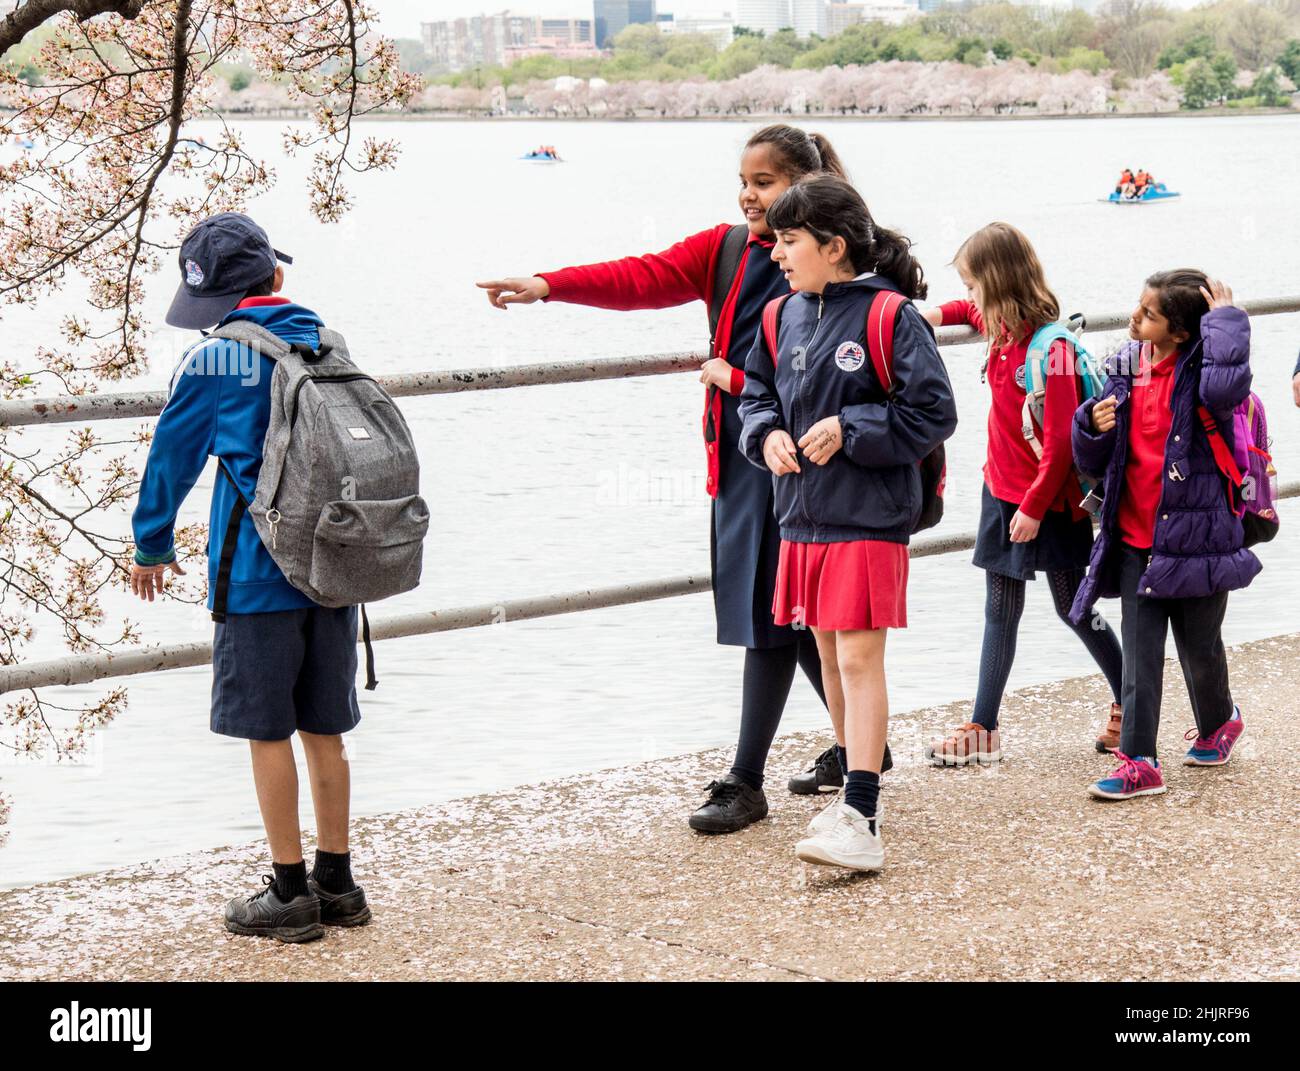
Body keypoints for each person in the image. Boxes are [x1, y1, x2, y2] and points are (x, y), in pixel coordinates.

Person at [477, 126, 894, 836]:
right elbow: (643, 275)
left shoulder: (844, 259)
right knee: (788, 612)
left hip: (807, 461)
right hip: (744, 457)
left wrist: (734, 378)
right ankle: (864, 750)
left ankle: (747, 778)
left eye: (764, 182)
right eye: (744, 180)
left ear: (803, 187)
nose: (748, 194)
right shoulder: (728, 248)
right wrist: (548, 286)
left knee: (769, 616)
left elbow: (856, 374)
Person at [130, 212, 371, 941]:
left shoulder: (215, 361)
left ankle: (289, 890)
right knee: (324, 729)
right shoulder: (326, 340)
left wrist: (151, 543)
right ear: (278, 278)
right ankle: (340, 881)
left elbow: (171, 457)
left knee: (267, 732)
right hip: (334, 568)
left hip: (258, 578)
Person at [738, 176, 957, 871]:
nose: (775, 253)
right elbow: (756, 396)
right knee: (830, 659)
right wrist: (764, 435)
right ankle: (855, 799)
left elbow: (934, 412)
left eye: (789, 240)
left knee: (860, 659)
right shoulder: (780, 317)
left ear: (833, 247)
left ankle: (861, 815)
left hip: (868, 515)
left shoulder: (892, 316)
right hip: (802, 515)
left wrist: (851, 425)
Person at [920, 224, 1124, 763]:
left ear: (997, 282)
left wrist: (1032, 509)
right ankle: (982, 727)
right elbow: (965, 314)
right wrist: (933, 315)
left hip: (1047, 501)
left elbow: (1059, 444)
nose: (968, 297)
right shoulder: (1001, 329)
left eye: (971, 285)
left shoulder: (1050, 350)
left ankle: (1133, 697)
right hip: (1001, 491)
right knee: (1000, 609)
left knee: (1074, 607)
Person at [1070, 271, 1257, 800]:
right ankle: (1140, 762)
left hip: (1197, 539)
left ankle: (1219, 721)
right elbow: (1092, 460)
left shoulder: (1203, 376)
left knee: (1200, 650)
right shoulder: (1124, 369)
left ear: (1179, 331)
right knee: (1141, 654)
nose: (1135, 317)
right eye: (1138, 306)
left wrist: (1225, 320)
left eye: (1149, 314)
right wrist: (1090, 425)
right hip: (1134, 540)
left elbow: (1228, 385)